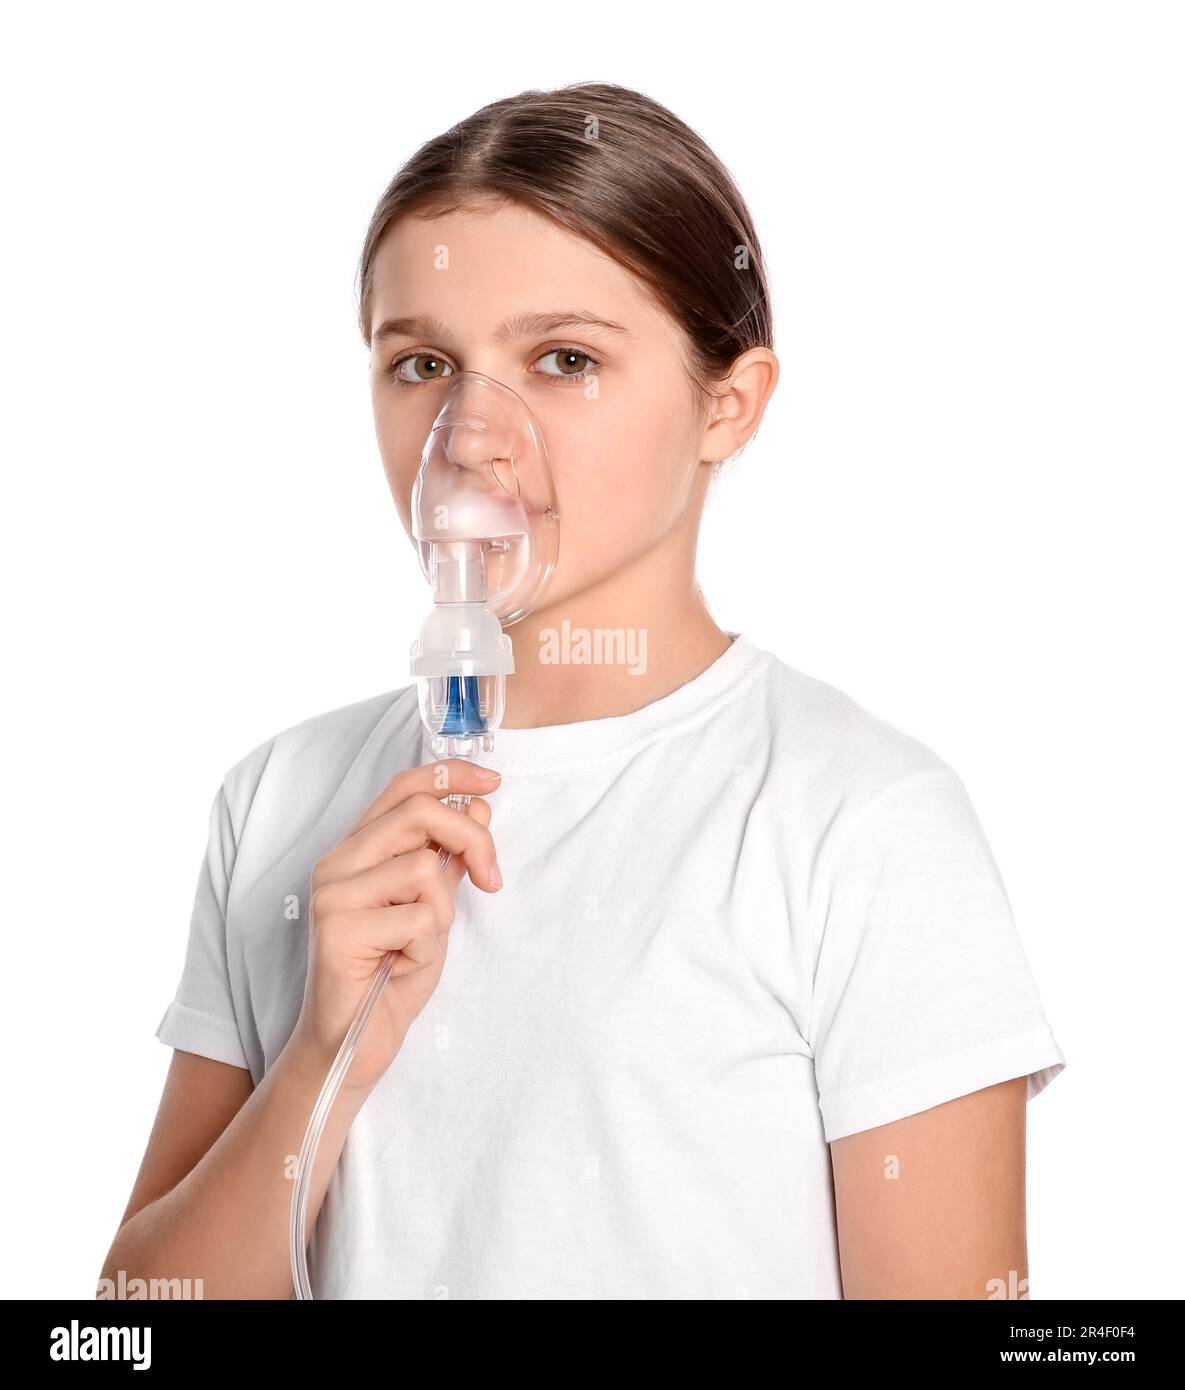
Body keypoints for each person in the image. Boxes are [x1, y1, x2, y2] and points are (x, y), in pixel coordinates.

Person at [100, 82, 1065, 1300]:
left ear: (730, 404)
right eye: (423, 361)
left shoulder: (857, 825)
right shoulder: (282, 802)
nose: (468, 434)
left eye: (564, 359)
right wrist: (317, 1064)